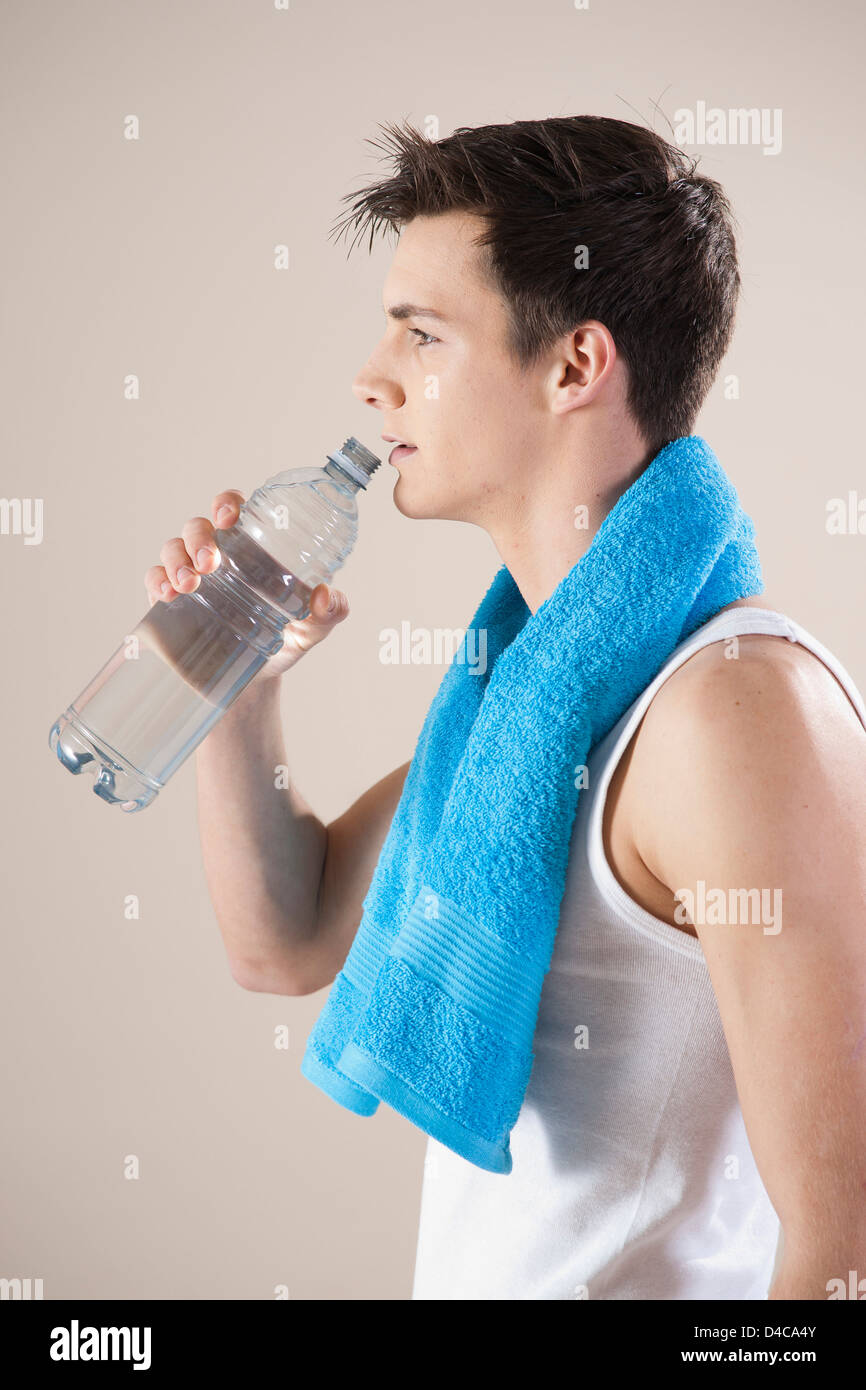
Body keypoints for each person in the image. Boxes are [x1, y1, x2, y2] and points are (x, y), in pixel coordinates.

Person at [144, 116, 866, 1300]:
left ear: (575, 365)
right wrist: (237, 685)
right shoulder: (527, 698)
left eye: (421, 333)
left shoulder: (732, 714)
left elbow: (843, 1252)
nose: (370, 376)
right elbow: (285, 941)